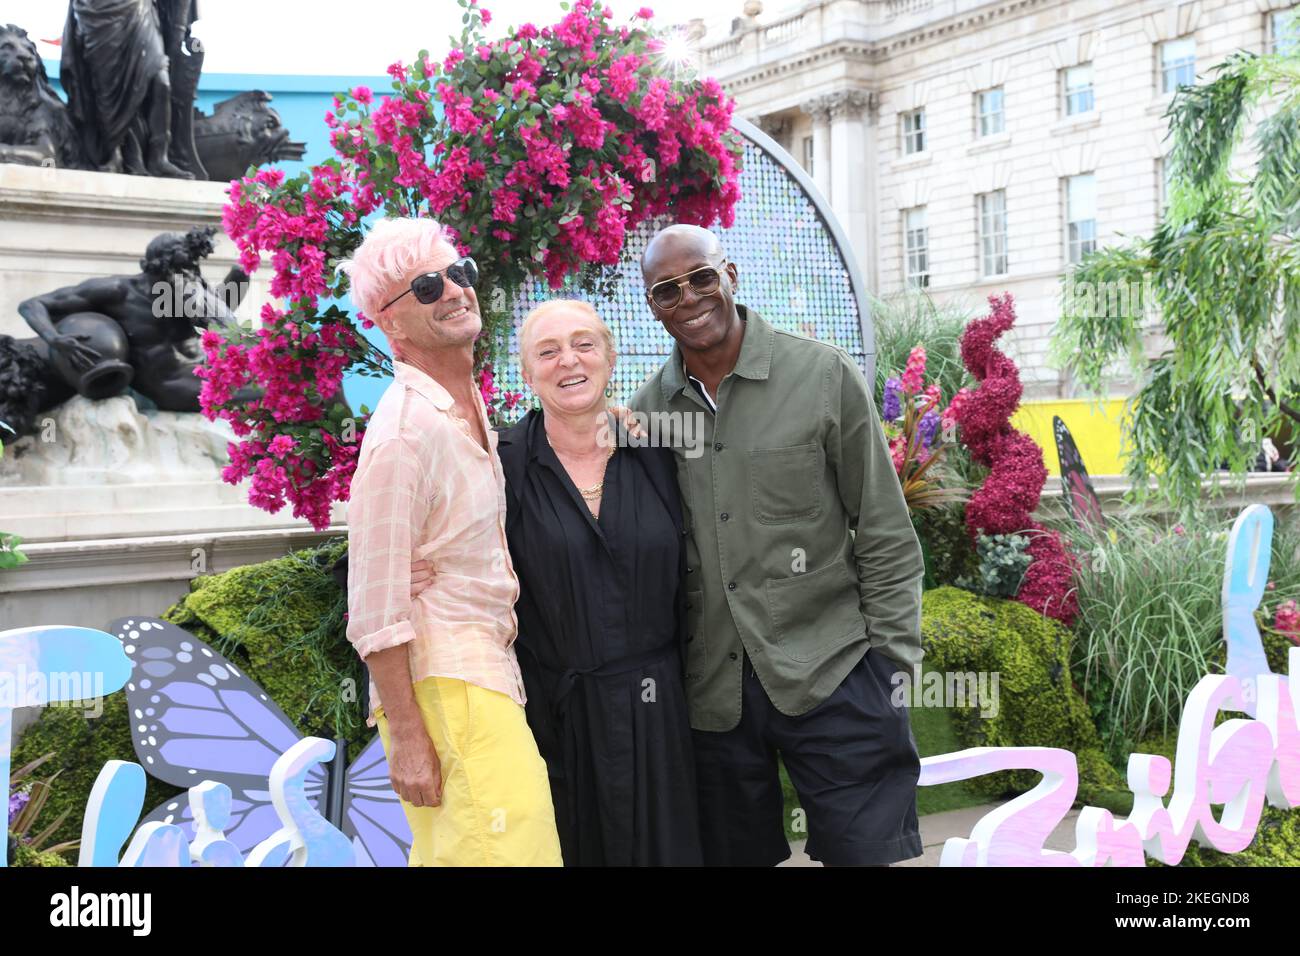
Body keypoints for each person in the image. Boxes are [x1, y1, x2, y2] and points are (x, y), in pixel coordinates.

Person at [630, 223, 927, 867]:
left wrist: (892, 668)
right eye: (666, 290)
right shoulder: (648, 414)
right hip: (714, 700)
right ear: (651, 306)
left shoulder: (820, 375)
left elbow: (884, 532)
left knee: (865, 857)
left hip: (835, 675)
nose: (688, 299)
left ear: (730, 274)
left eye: (701, 277)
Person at [340, 217, 562, 867]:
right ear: (393, 325)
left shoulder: (461, 404)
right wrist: (407, 739)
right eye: (428, 286)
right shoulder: (404, 433)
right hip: (447, 685)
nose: (456, 289)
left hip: (480, 675)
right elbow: (374, 607)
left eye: (458, 271)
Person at [491, 300, 702, 866]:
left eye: (584, 344)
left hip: (662, 714)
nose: (569, 361)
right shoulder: (498, 464)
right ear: (527, 371)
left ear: (610, 357)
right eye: (548, 351)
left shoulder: (659, 450)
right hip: (555, 722)